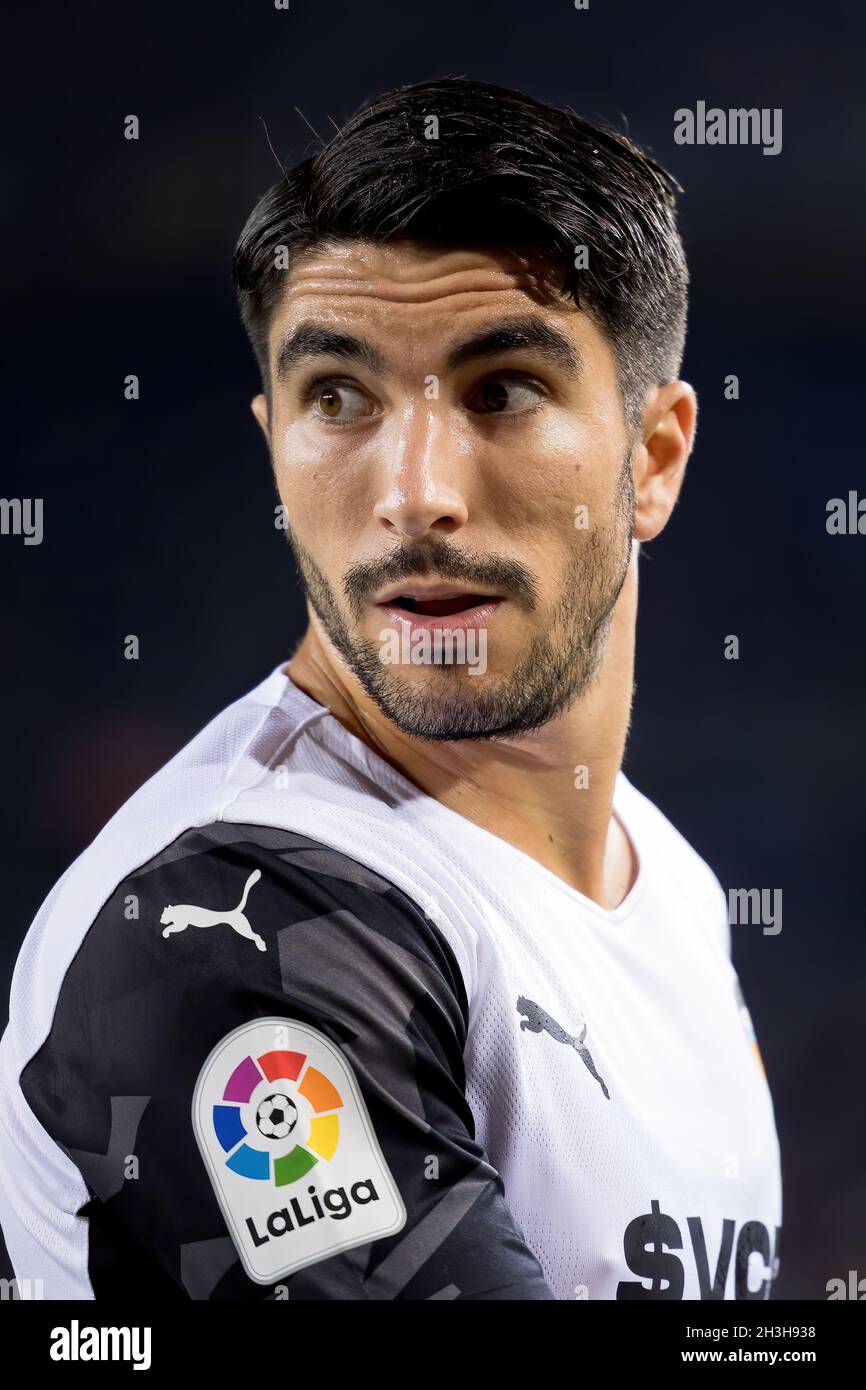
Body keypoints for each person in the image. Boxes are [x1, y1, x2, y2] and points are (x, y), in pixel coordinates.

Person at [0, 76, 781, 1300]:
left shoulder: (665, 877)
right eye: (340, 398)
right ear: (274, 447)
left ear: (652, 459)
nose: (413, 491)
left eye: (501, 389)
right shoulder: (233, 927)